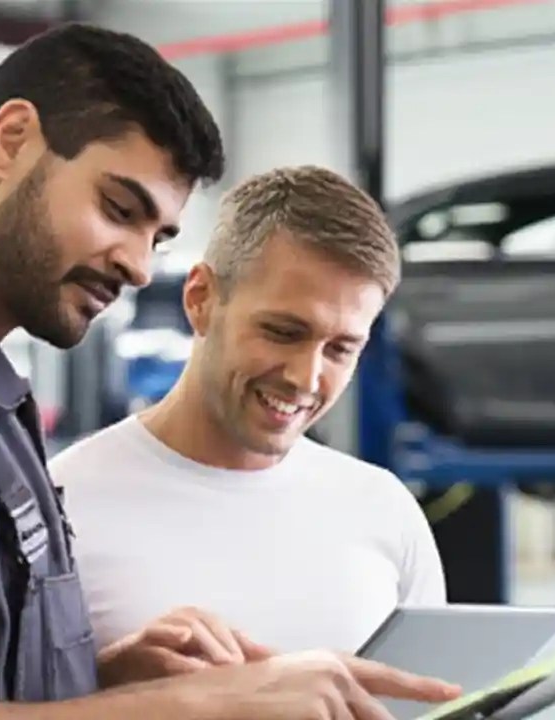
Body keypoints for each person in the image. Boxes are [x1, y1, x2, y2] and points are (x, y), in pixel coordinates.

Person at [0, 23, 458, 720]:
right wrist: (206, 704)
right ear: (14, 140)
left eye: (157, 235)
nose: (135, 265)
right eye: (117, 207)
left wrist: (100, 680)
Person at [49, 166, 448, 658]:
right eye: (283, 332)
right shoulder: (64, 507)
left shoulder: (385, 510)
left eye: (341, 349)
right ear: (201, 299)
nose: (306, 377)